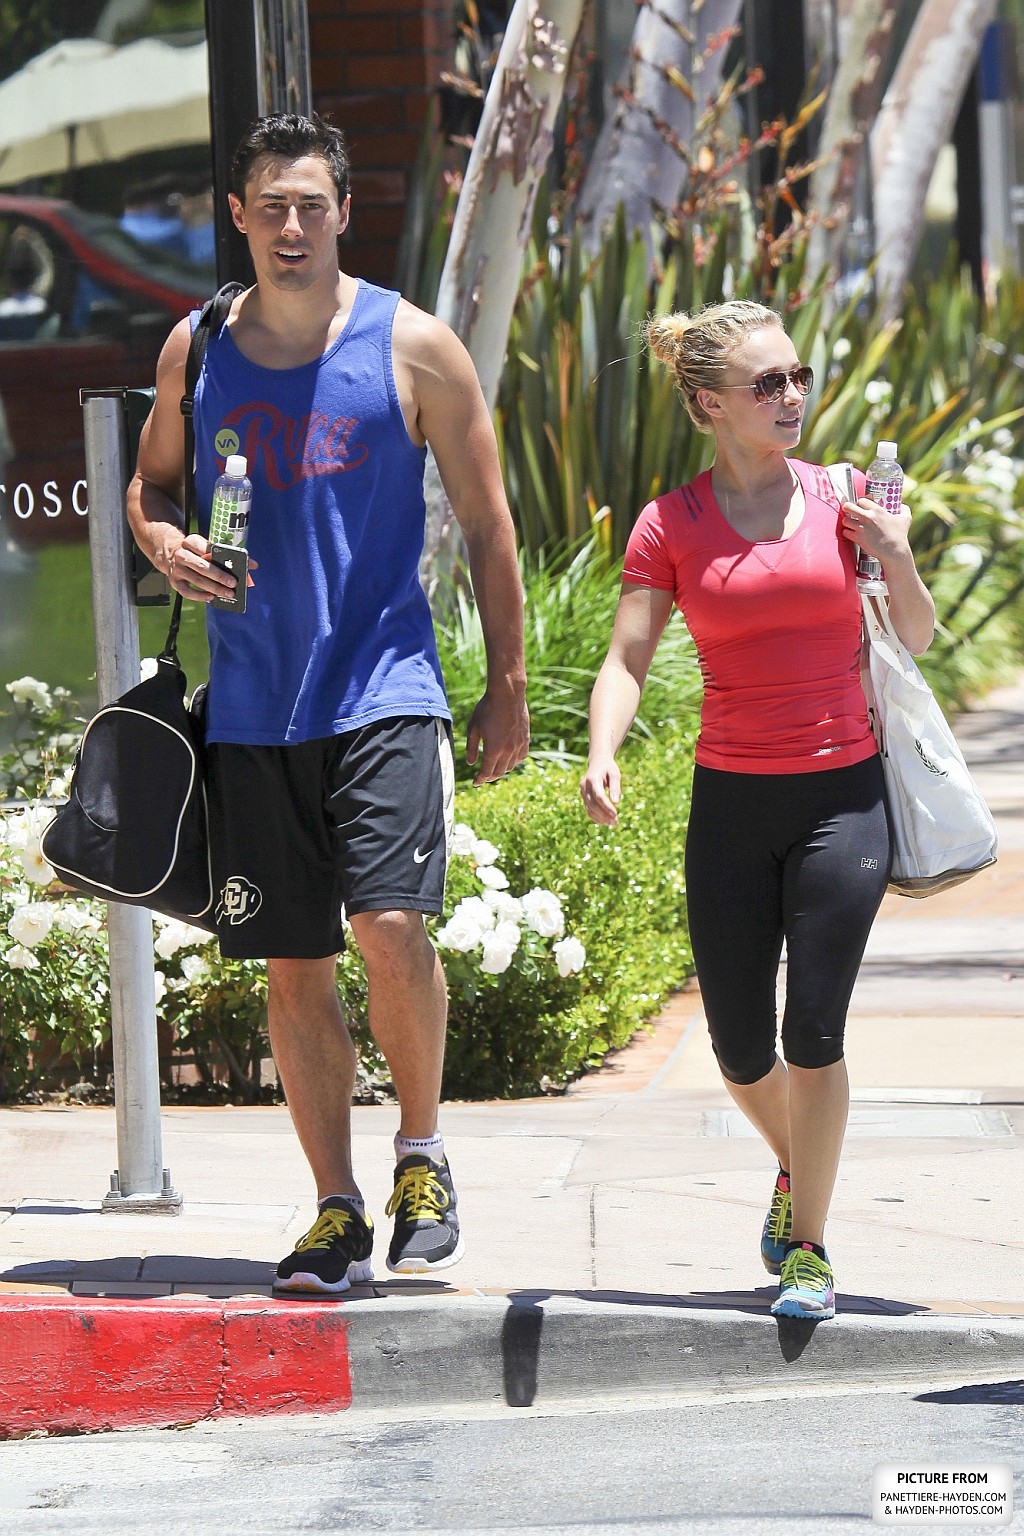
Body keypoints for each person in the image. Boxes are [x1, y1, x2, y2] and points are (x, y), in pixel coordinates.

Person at [127, 113, 529, 1295]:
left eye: (313, 204)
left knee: (389, 923)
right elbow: (151, 489)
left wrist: (504, 689)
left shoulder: (414, 347)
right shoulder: (195, 349)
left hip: (384, 688)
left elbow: (492, 524)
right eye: (272, 205)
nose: (292, 225)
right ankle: (335, 1211)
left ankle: (421, 1151)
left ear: (343, 214)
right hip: (252, 709)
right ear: (240, 218)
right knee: (292, 961)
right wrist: (166, 544)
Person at [581, 301, 934, 1322]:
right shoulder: (670, 524)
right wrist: (603, 749)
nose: (790, 399)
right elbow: (626, 656)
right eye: (764, 385)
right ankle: (800, 1169)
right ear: (706, 405)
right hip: (730, 800)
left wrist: (895, 549)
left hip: (842, 795)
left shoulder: (847, 499)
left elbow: (910, 634)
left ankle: (810, 1248)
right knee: (741, 1051)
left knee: (811, 1031)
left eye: (796, 377)